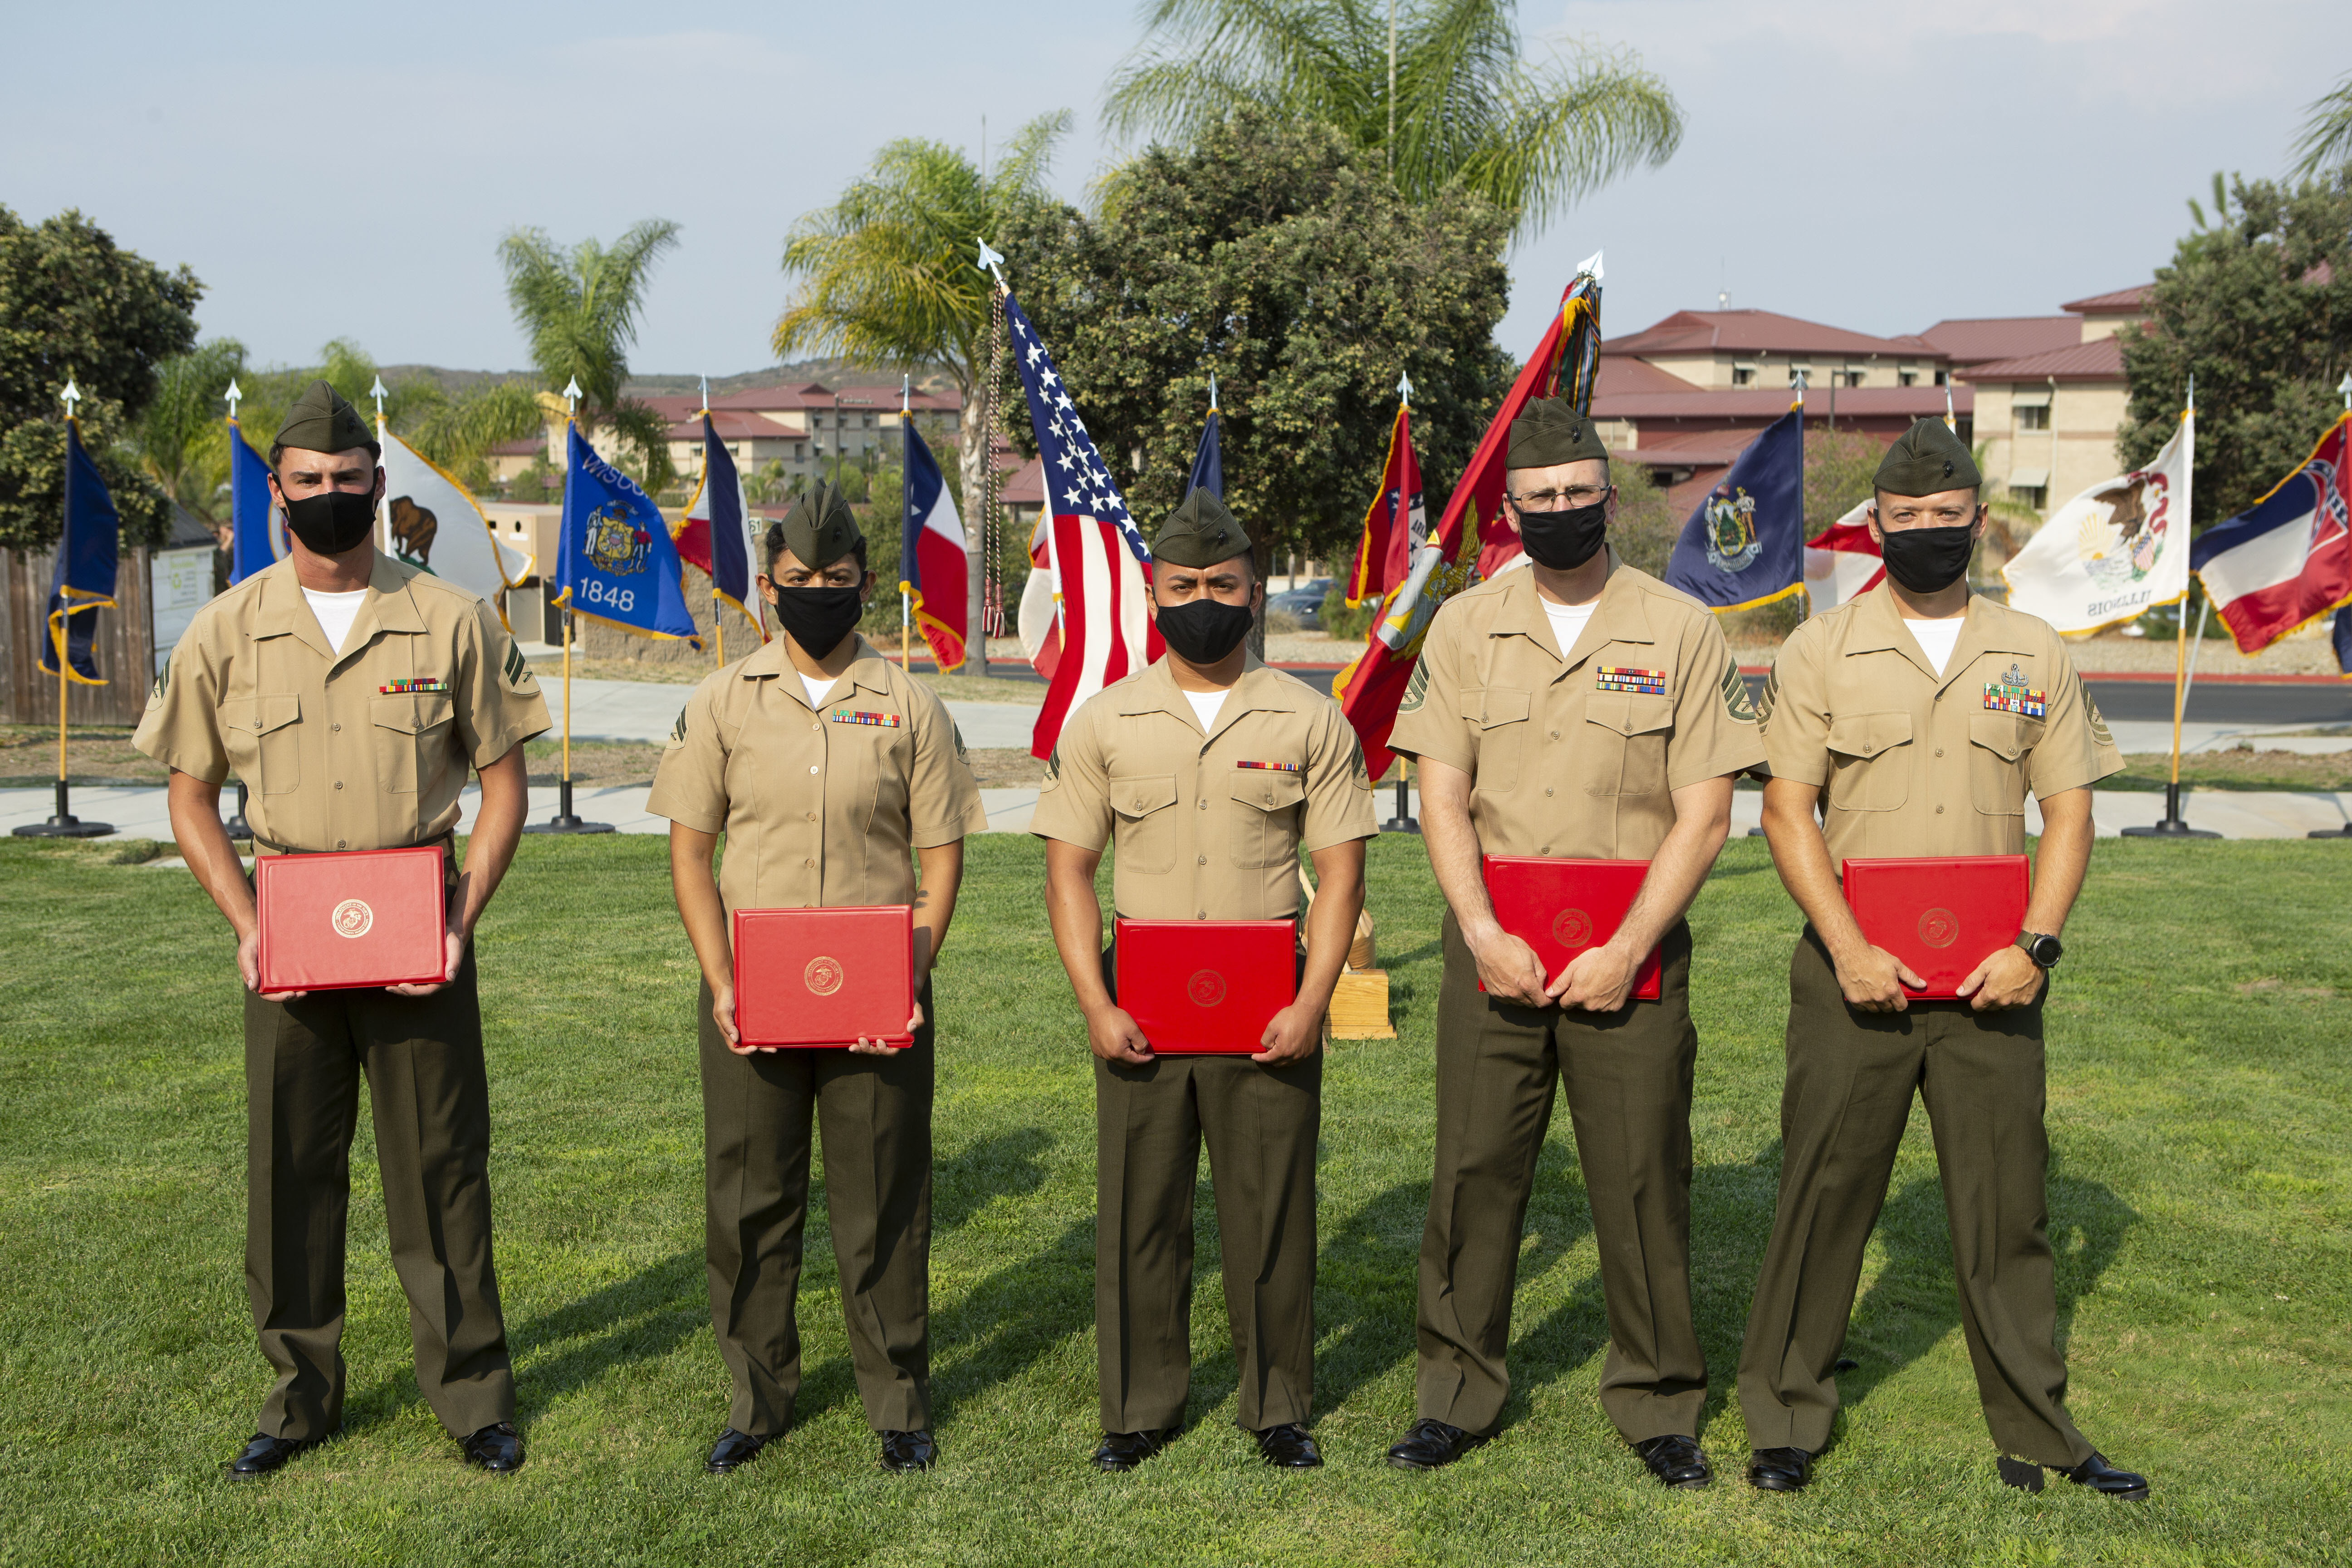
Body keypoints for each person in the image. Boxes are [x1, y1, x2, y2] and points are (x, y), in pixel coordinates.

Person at [132, 379, 548, 1479]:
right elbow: (189, 793)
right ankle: (295, 1400)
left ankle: (473, 1397)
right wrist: (247, 922)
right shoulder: (228, 629)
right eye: (309, 483)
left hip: (423, 934)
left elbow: (502, 786)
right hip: (293, 933)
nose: (330, 497)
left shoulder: (451, 617)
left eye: (349, 482)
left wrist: (464, 918)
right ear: (277, 493)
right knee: (291, 1174)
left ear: (378, 488)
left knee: (442, 1171)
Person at [1736, 418, 2146, 1499]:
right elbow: (1787, 813)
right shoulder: (1820, 648)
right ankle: (1784, 1417)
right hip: (1853, 976)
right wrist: (1847, 949)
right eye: (1905, 519)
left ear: (1978, 522)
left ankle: (2038, 1431)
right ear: (1876, 525)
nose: (1925, 533)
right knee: (1824, 1193)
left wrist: (2036, 947)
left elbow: (2068, 813)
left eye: (1946, 517)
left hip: (1993, 983)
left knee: (2007, 1209)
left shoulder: (2032, 649)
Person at [1380, 398, 1767, 1485]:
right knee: (1473, 1171)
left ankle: (1658, 1404)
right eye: (1539, 499)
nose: (1560, 511)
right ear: (1511, 511)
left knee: (1642, 1178)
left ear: (1608, 498)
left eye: (1578, 494)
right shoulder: (1465, 628)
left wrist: (1631, 945)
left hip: (1630, 961)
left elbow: (1705, 810)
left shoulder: (1679, 628)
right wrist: (1480, 931)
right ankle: (1454, 1393)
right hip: (1493, 951)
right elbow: (1440, 795)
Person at [1032, 487, 1376, 1474]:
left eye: (1222, 583)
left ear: (1256, 592)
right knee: (1141, 1213)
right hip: (1138, 1002)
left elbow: (1344, 870)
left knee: (1271, 1209)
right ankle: (1140, 1407)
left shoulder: (1310, 718)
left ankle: (1277, 1406)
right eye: (1183, 585)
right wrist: (1094, 1003)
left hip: (1270, 1003)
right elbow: (1068, 868)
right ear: (1153, 595)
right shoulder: (1106, 721)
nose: (1202, 599)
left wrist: (1316, 1002)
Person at [647, 481, 986, 1476]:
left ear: (865, 584)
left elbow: (941, 859)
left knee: (883, 1198)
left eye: (836, 579)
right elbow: (690, 853)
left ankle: (897, 1400)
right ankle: (757, 1400)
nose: (818, 594)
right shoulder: (721, 701)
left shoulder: (909, 704)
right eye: (799, 580)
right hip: (752, 994)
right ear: (770, 584)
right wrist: (718, 979)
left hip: (882, 995)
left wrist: (911, 976)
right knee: (751, 1200)